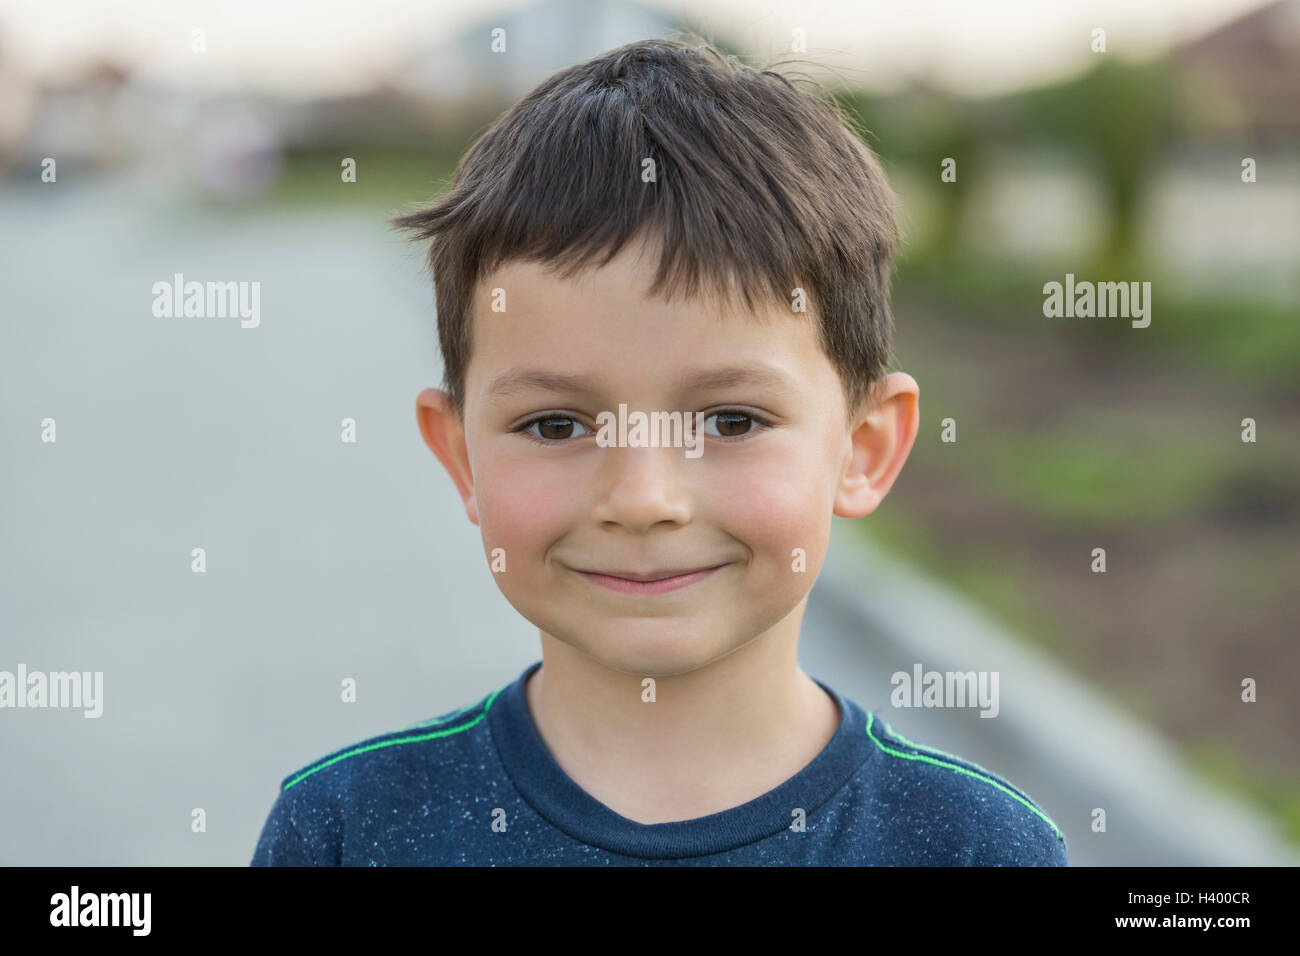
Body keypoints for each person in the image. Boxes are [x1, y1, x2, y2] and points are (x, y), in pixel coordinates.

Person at [251, 34, 1067, 866]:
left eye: (731, 421)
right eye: (556, 426)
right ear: (461, 459)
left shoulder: (978, 847)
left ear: (864, 448)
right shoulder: (347, 831)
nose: (643, 498)